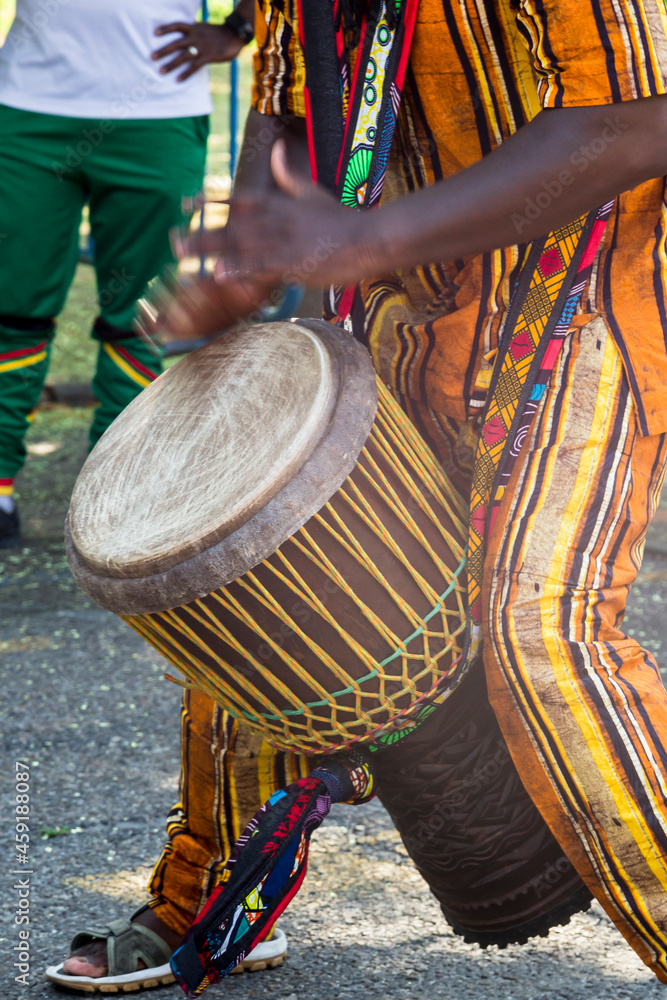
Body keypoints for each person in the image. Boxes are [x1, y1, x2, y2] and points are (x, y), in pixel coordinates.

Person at [51, 0, 667, 991]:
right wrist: (247, 254)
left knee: (539, 632)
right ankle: (211, 904)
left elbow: (634, 121)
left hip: (585, 294)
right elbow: (284, 111)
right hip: (410, 304)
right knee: (253, 568)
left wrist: (368, 236)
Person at [0, 0, 255, 549]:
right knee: (12, 306)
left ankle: (114, 488)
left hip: (159, 110)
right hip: (26, 107)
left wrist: (241, 26)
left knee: (139, 316)